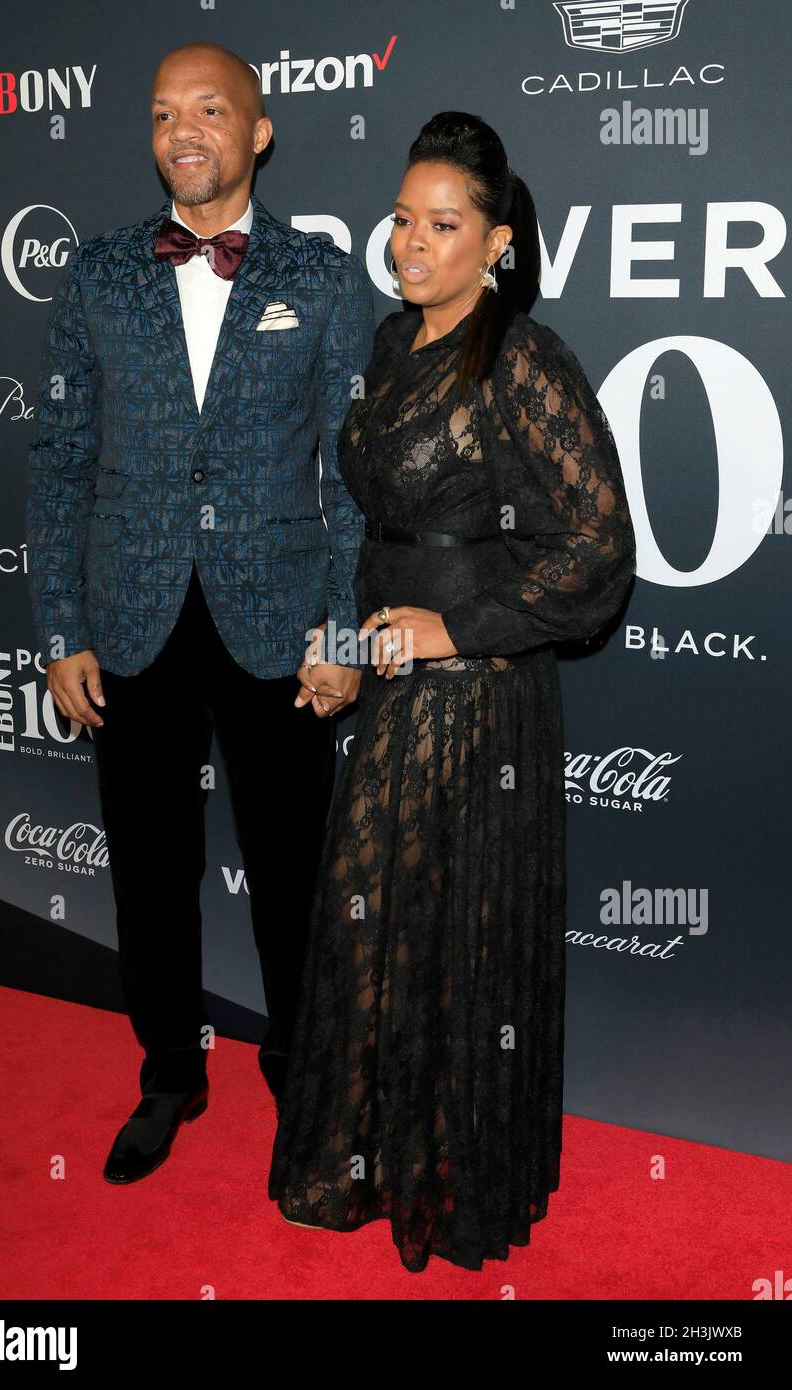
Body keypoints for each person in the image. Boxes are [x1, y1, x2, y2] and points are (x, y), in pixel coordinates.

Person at [268, 111, 638, 1272]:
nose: (411, 243)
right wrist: (344, 643)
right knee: (376, 928)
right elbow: (378, 529)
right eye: (399, 218)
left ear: (497, 245)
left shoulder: (521, 359)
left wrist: (452, 628)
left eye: (442, 225)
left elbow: (595, 547)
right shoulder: (386, 345)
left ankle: (448, 1173)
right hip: (386, 682)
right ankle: (373, 1156)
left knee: (445, 934)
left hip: (477, 699)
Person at [25, 41, 374, 1184]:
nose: (185, 129)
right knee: (148, 862)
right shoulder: (98, 273)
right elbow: (61, 457)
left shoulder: (321, 277)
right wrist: (61, 623)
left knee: (291, 869)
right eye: (166, 110)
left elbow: (355, 477)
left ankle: (300, 1067)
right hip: (129, 613)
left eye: (211, 109)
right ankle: (171, 1065)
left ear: (258, 130)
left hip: (277, 619)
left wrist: (340, 629)